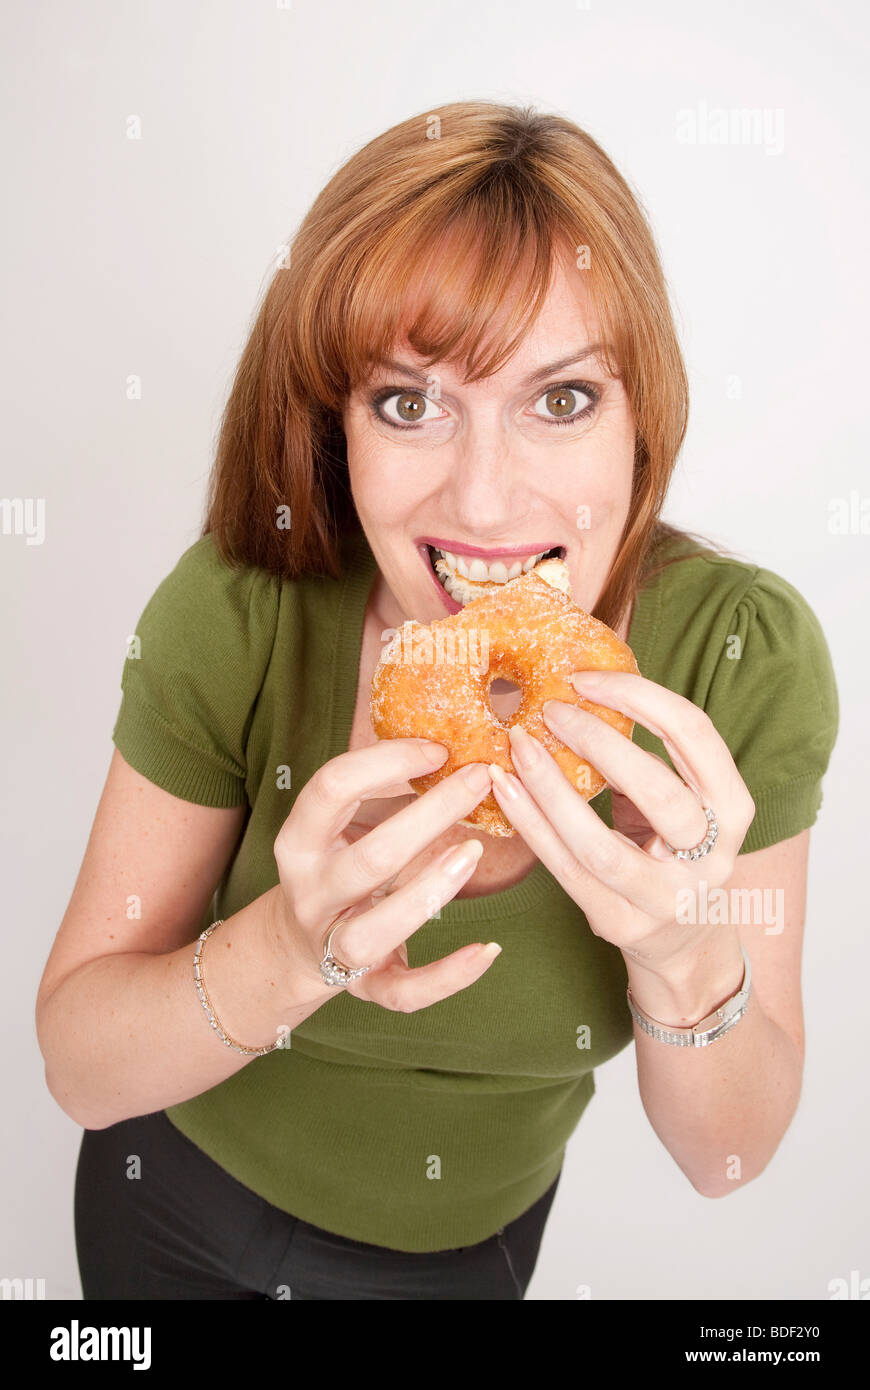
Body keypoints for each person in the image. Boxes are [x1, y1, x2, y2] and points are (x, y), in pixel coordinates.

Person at [36, 101, 838, 1301]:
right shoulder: (243, 610)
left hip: (476, 1261)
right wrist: (285, 956)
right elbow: (80, 1070)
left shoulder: (739, 657)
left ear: (643, 421)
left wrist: (683, 951)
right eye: (409, 403)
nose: (487, 495)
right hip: (177, 1218)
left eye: (561, 399)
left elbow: (731, 1157)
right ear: (333, 427)